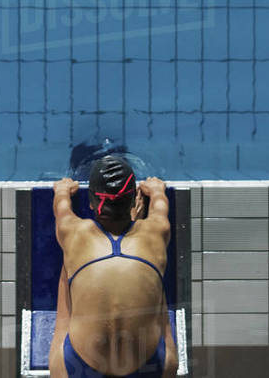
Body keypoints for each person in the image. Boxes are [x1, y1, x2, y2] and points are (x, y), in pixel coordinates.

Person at [49, 155, 178, 378]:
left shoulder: (72, 232)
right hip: (153, 366)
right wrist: (156, 190)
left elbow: (61, 207)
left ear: (92, 205)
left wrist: (62, 190)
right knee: (155, 275)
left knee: (70, 262)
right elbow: (159, 203)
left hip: (80, 368)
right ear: (132, 202)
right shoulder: (157, 230)